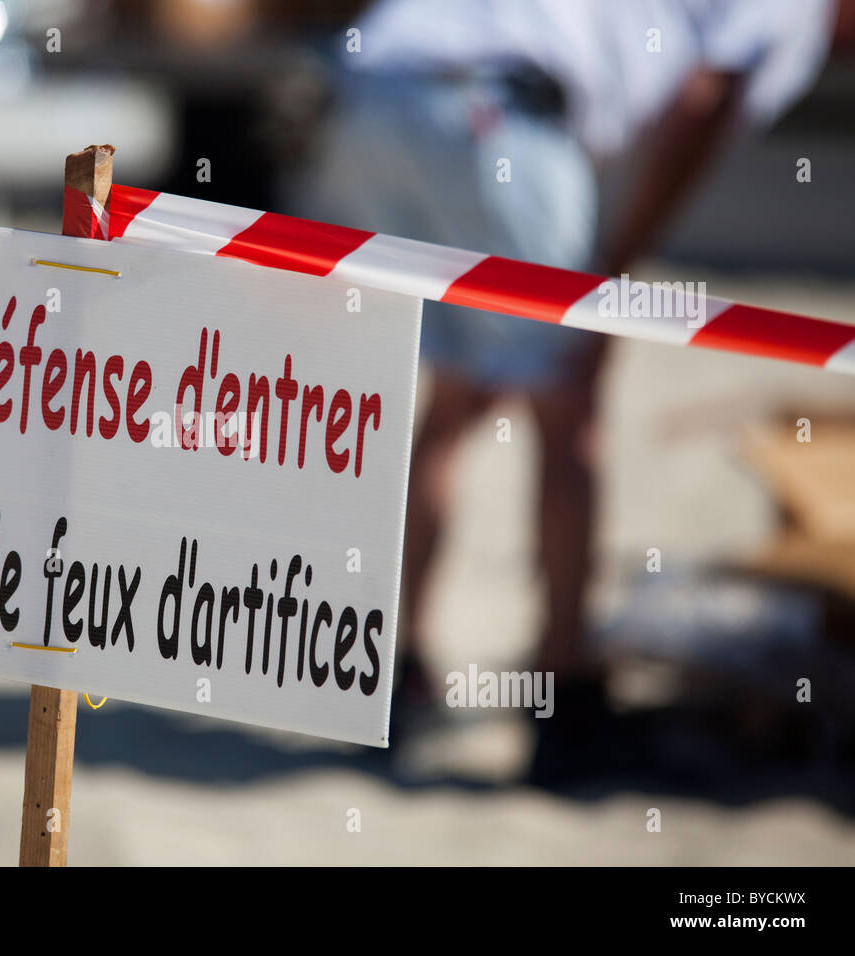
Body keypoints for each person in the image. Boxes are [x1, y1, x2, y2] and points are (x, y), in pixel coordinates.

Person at [289, 0, 852, 775]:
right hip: (491, 111)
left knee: (456, 396)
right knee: (567, 405)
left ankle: (395, 676)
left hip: (372, 96)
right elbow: (700, 104)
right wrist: (614, 277)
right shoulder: (798, 12)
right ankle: (568, 702)